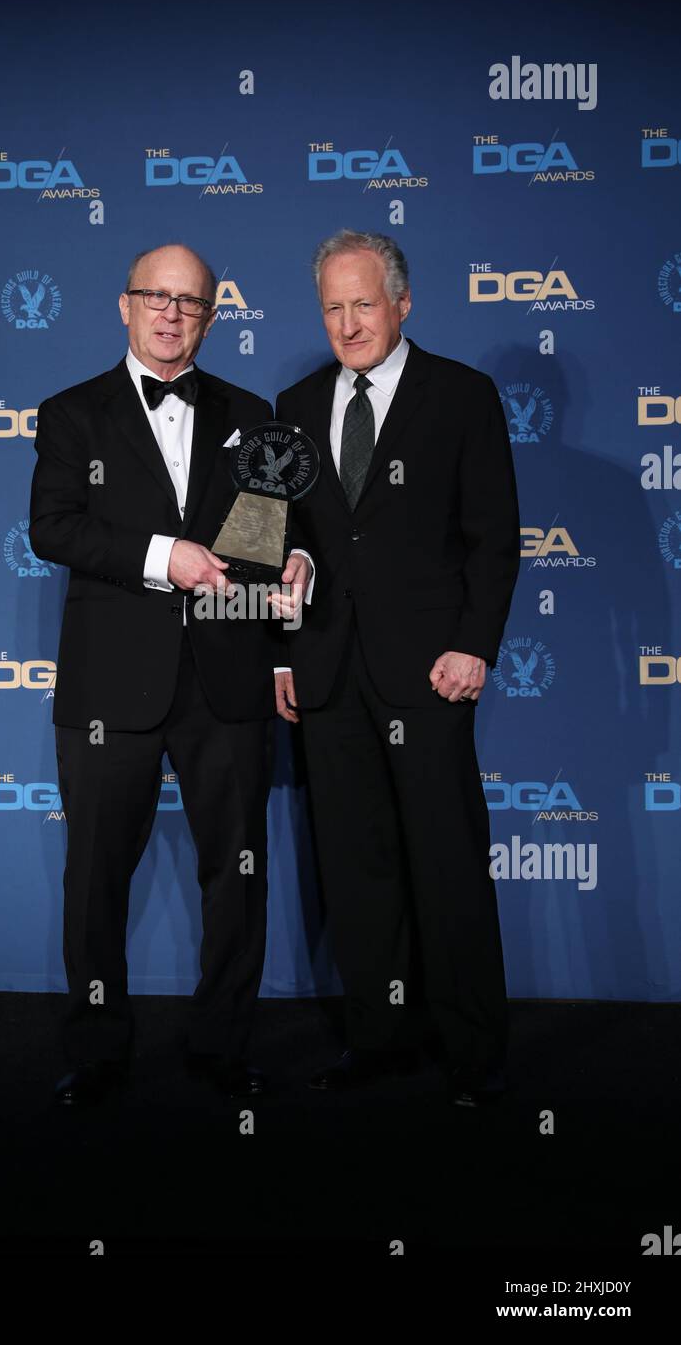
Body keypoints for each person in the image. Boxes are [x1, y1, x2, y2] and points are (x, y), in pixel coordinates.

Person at [29, 243, 310, 1104]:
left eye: (189, 301)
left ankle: (222, 1044)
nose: (170, 312)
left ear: (211, 316)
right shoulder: (73, 412)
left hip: (226, 675)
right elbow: (54, 529)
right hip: (111, 684)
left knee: (238, 870)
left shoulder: (252, 410)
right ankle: (98, 1053)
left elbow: (259, 546)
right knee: (95, 877)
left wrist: (289, 569)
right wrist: (165, 557)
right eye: (155, 295)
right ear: (125, 305)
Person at [274, 230, 520, 1107]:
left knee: (448, 866)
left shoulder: (462, 397)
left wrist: (476, 645)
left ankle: (473, 1055)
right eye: (333, 308)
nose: (348, 323)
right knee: (357, 869)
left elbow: (494, 542)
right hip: (329, 673)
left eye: (363, 304)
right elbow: (280, 542)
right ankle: (376, 1041)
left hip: (431, 673)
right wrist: (283, 652)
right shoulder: (295, 404)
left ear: (403, 303)